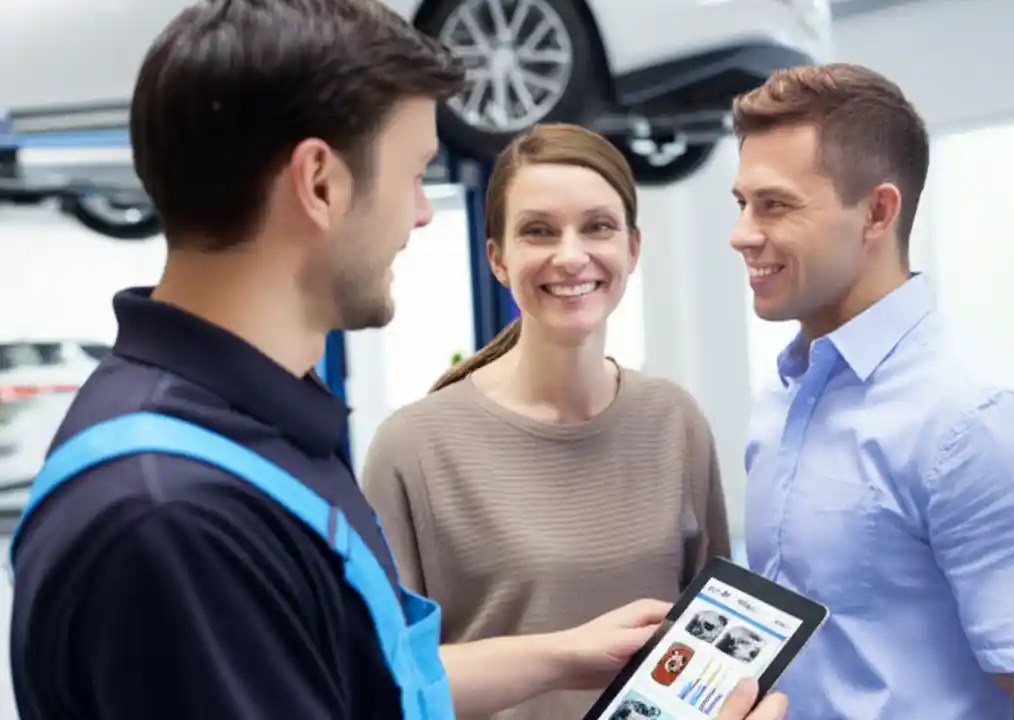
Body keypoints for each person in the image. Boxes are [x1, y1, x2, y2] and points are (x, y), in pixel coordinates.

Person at [6, 2, 784, 719]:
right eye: (413, 174)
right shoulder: (176, 516)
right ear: (320, 183)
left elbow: (374, 681)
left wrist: (563, 656)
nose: (418, 215)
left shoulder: (260, 442)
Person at [730, 63, 1014, 719]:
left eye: (774, 204)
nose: (742, 233)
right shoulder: (787, 393)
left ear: (877, 212)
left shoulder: (983, 419)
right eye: (741, 203)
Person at [361, 122, 732, 720]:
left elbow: (711, 649)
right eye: (538, 231)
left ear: (632, 249)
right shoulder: (414, 448)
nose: (570, 255)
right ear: (498, 259)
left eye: (597, 227)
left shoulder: (675, 422)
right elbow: (380, 677)